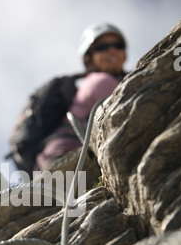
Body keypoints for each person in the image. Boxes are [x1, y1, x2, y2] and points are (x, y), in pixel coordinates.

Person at [35, 22, 127, 171]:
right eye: (102, 47)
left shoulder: (90, 82)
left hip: (52, 162)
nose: (112, 50)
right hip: (66, 161)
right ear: (89, 57)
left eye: (118, 45)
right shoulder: (102, 81)